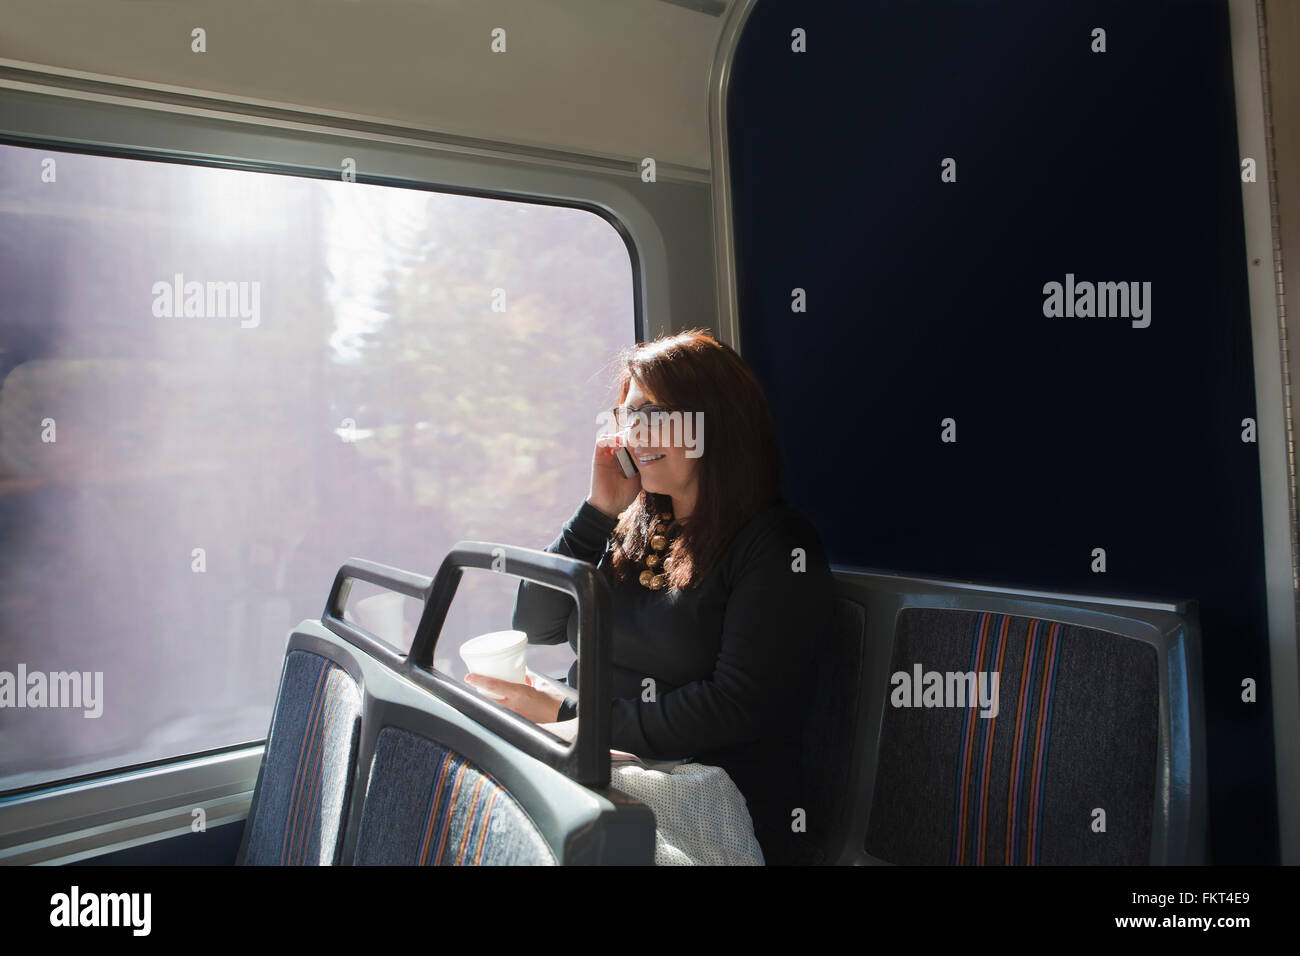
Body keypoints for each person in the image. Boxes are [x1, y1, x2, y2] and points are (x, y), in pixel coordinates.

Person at [463, 329, 834, 865]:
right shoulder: (636, 524)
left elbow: (733, 709)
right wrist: (596, 511)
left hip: (703, 788)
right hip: (599, 758)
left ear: (716, 424)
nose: (636, 432)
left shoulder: (778, 547)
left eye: (657, 414)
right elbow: (538, 623)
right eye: (628, 416)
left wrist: (573, 715)